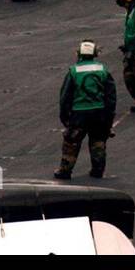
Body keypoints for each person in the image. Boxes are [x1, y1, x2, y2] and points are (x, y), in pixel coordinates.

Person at [54, 41, 116, 180]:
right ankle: (98, 169)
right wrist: (109, 119)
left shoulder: (73, 71)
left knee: (71, 142)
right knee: (98, 141)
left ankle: (65, 170)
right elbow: (110, 97)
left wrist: (65, 117)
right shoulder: (103, 70)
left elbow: (65, 96)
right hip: (99, 112)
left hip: (79, 113)